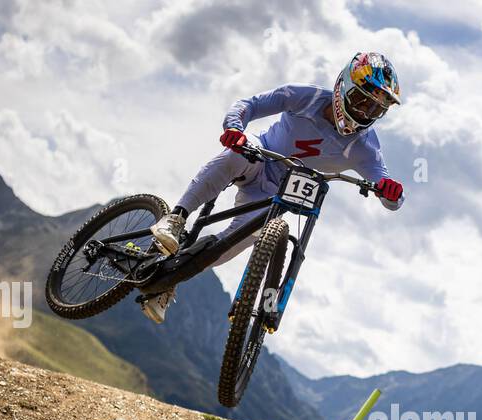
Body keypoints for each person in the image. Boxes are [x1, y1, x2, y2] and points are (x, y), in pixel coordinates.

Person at [139, 51, 406, 324]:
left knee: (234, 242)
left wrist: (391, 193)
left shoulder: (365, 146)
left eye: (375, 109)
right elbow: (249, 104)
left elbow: (390, 196)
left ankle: (169, 281)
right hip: (259, 155)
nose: (365, 113)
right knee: (235, 154)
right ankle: (176, 217)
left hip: (273, 194)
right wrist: (235, 128)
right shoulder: (306, 97)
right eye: (362, 100)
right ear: (345, 87)